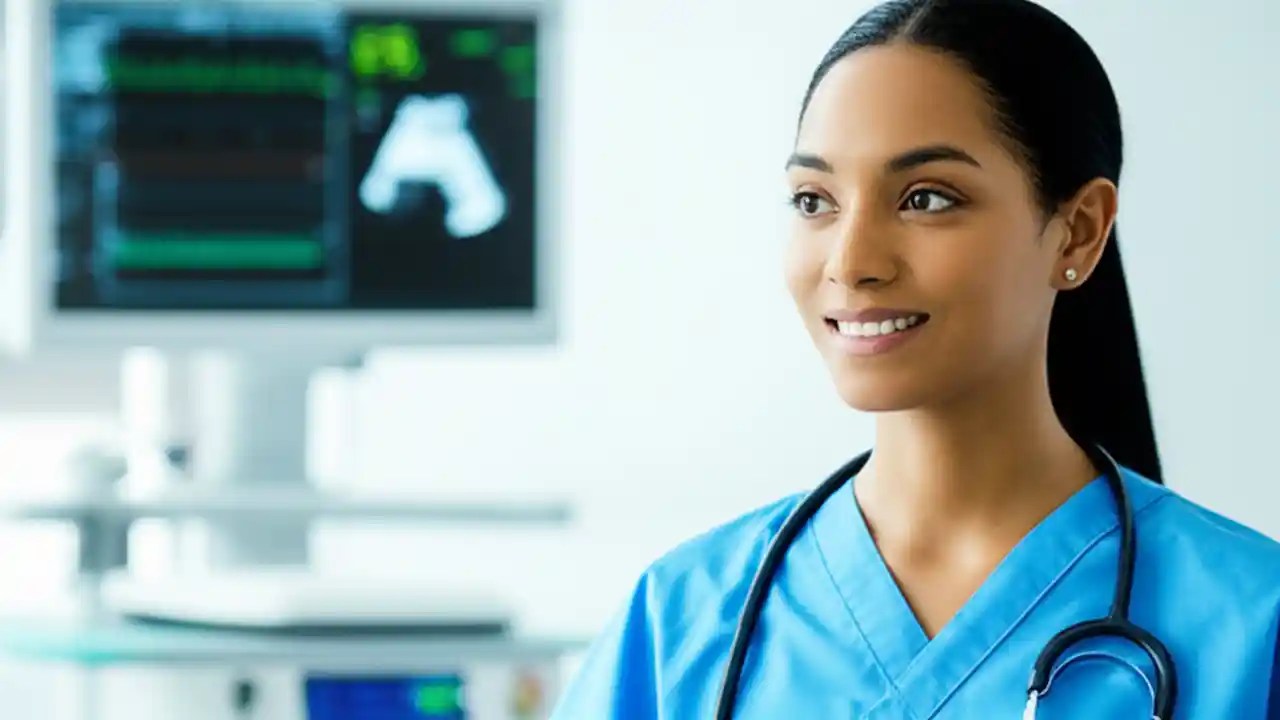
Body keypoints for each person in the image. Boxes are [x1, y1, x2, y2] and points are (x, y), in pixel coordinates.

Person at [549, 0, 1280, 717]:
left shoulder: (1253, 623)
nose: (851, 262)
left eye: (926, 198)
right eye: (814, 200)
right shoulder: (680, 620)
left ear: (1078, 231)